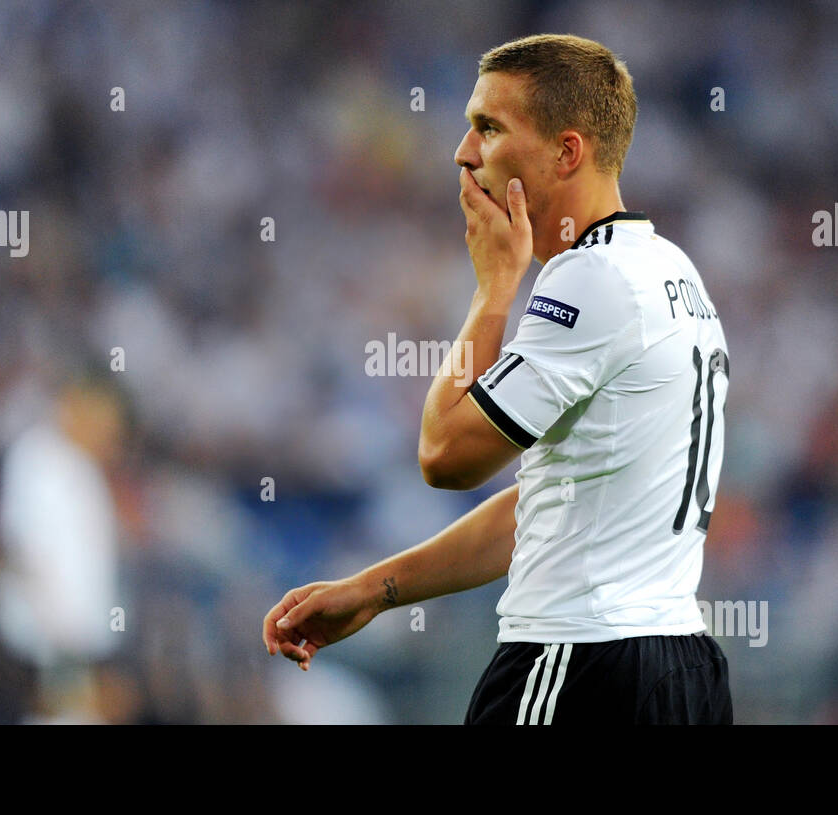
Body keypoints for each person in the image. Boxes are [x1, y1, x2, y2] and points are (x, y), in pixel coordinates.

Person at [262, 33, 732, 724]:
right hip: (681, 672)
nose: (463, 152)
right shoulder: (670, 270)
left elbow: (446, 454)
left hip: (578, 663)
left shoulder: (591, 277)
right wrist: (375, 588)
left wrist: (493, 291)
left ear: (567, 151)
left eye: (488, 127)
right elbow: (546, 508)